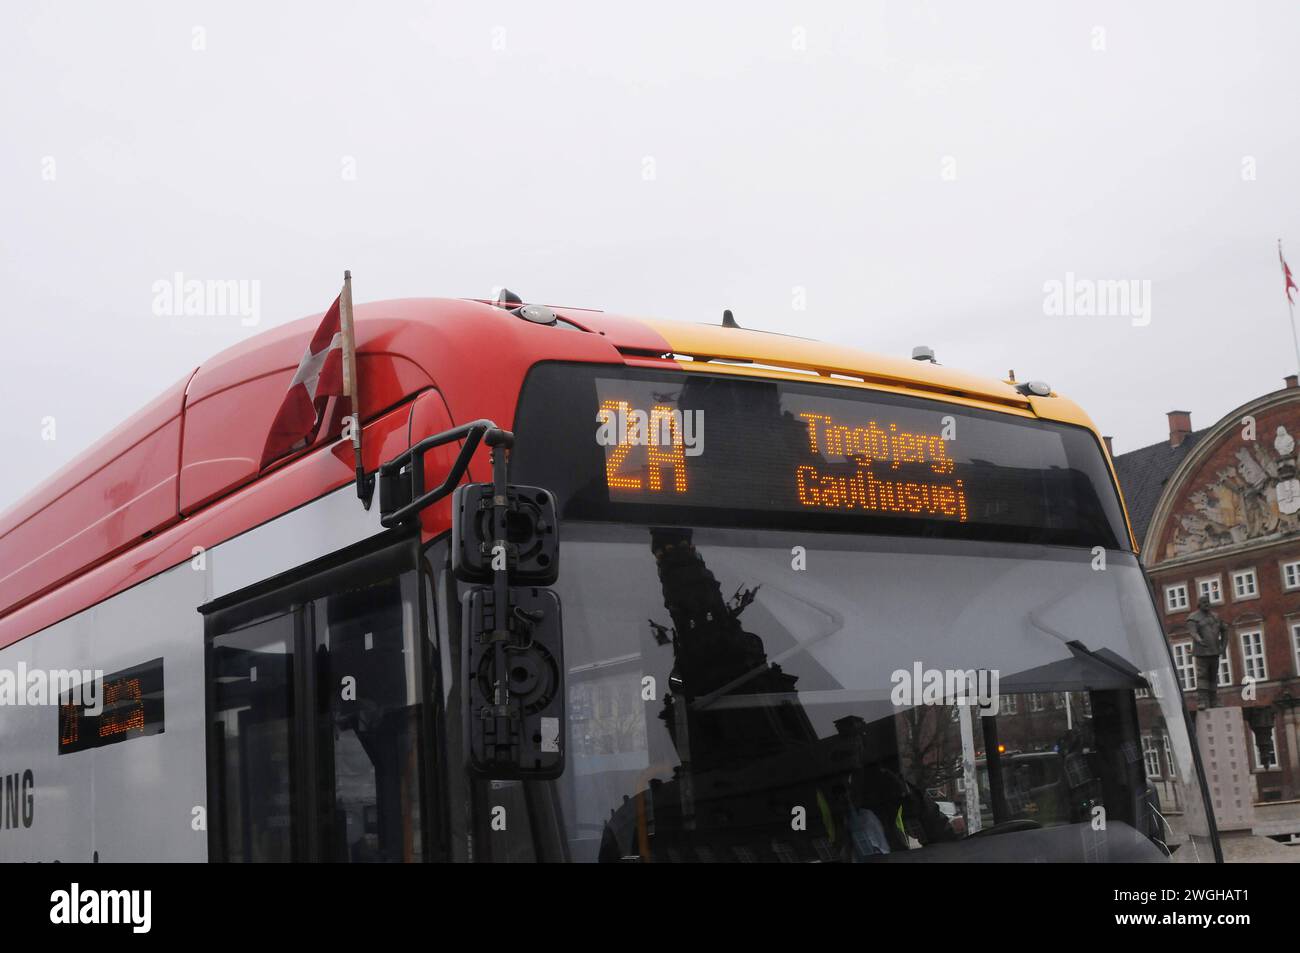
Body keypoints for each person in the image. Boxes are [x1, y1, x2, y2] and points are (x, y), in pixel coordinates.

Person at [1186, 595, 1228, 709]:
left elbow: (1225, 630)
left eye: (1208, 602)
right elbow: (1193, 632)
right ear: (1199, 604)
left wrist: (1223, 646)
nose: (1206, 604)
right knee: (1202, 676)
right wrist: (1200, 640)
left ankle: (1214, 700)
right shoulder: (1193, 617)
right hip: (1202, 652)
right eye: (1204, 602)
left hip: (1214, 651)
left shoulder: (1216, 617)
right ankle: (1202, 700)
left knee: (1213, 676)